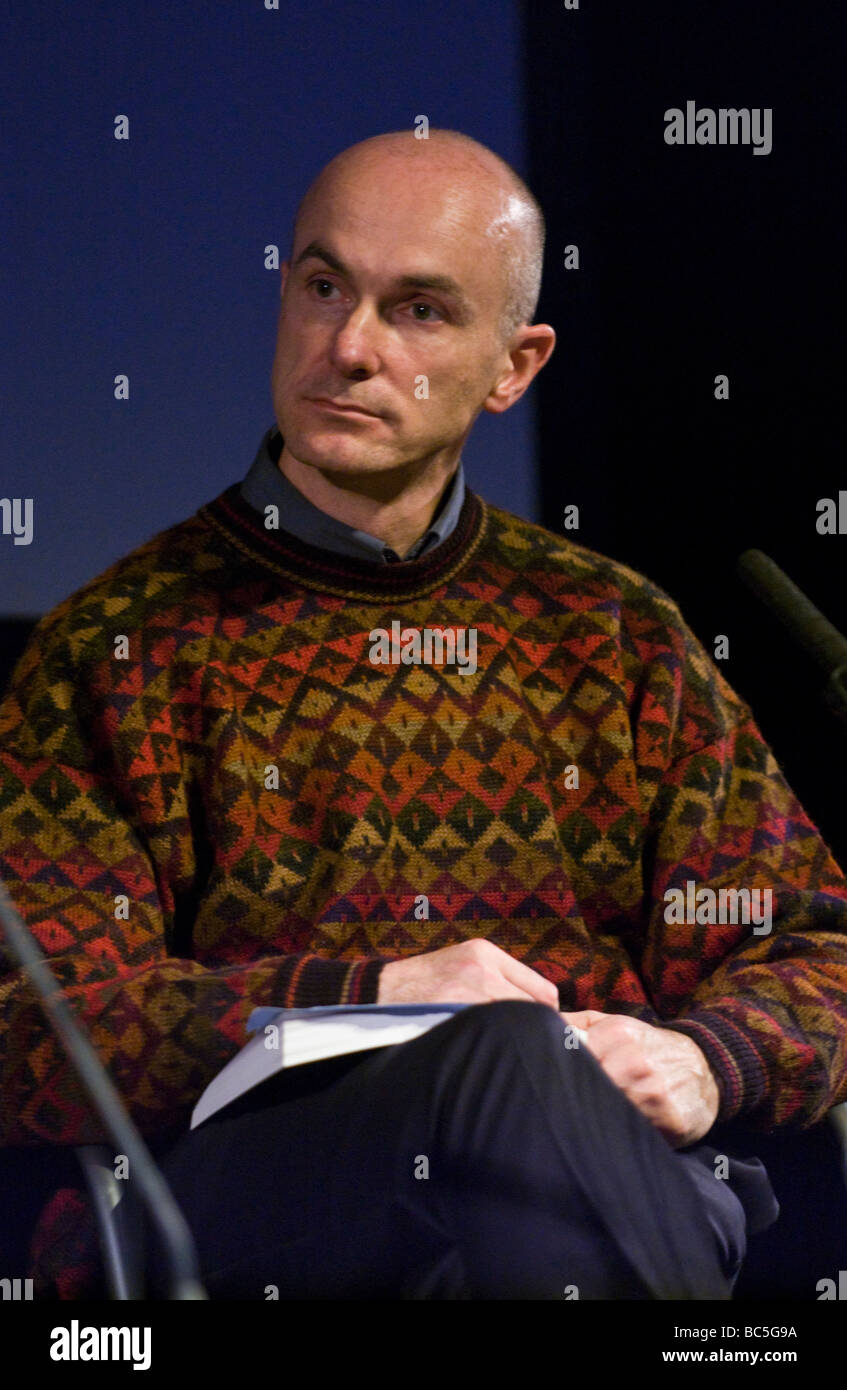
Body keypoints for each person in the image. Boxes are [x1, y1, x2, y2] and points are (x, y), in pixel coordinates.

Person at [1, 128, 845, 1300]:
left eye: (420, 310)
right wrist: (365, 997)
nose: (348, 347)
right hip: (256, 1199)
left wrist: (709, 1057)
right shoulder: (112, 649)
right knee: (501, 1063)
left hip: (589, 1188)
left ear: (514, 366)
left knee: (534, 1183)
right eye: (323, 287)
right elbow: (30, 1031)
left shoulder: (611, 633)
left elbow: (812, 943)